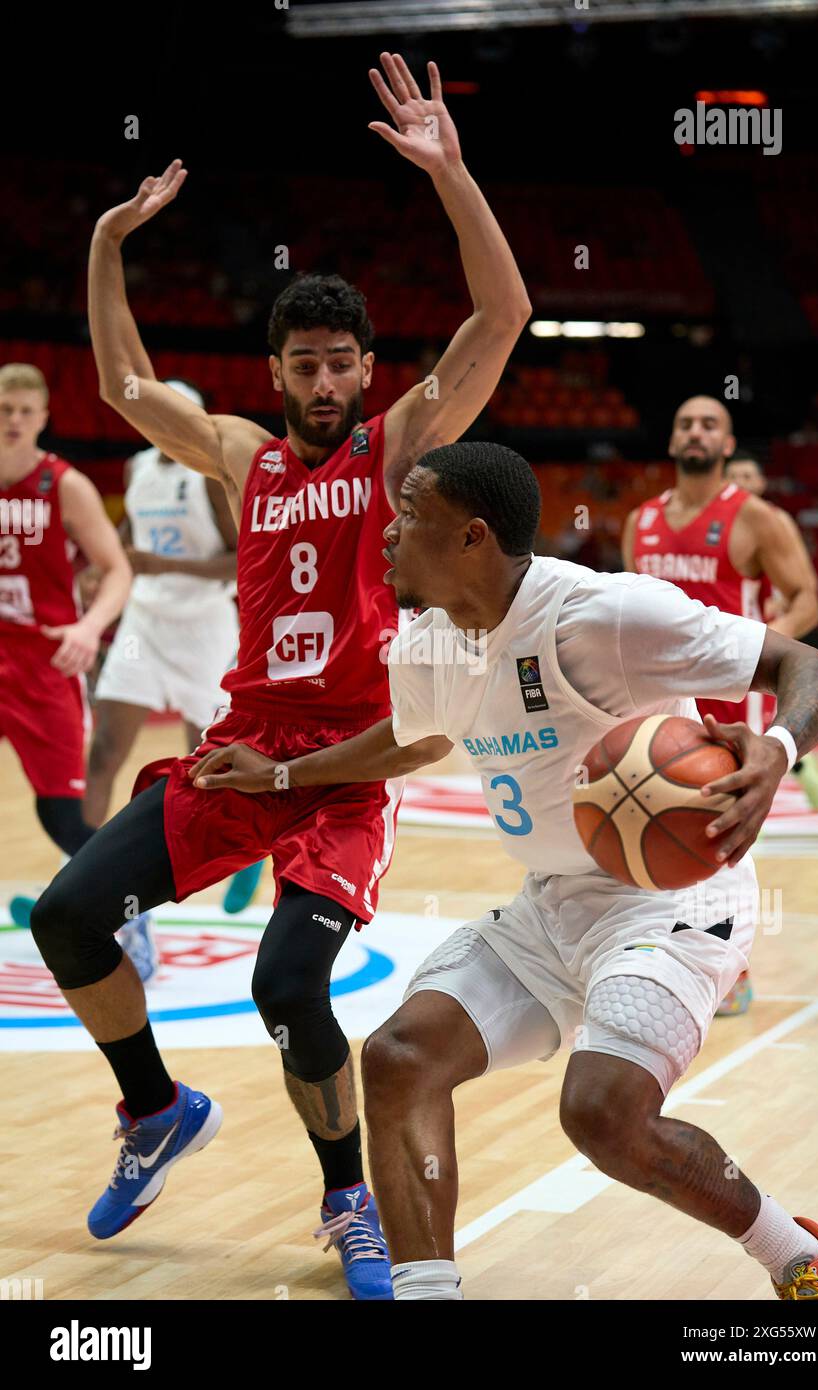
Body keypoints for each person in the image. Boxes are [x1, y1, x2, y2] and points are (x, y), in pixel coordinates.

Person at [29, 53, 531, 1301]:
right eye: (301, 362)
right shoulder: (241, 454)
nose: (320, 381)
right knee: (67, 916)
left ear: (365, 369)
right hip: (239, 750)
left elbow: (502, 318)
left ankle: (346, 1192)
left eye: (339, 362)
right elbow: (122, 384)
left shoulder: (397, 447)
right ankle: (154, 1111)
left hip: (346, 765)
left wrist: (452, 176)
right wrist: (105, 242)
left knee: (286, 981)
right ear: (275, 374)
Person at [191, 440, 818, 1302]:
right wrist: (282, 771)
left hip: (672, 901)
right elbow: (415, 738)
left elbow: (813, 668)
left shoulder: (601, 616)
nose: (386, 534)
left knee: (602, 1111)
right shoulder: (426, 640)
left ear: (471, 538)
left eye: (409, 515)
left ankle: (794, 1252)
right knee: (398, 1056)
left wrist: (779, 748)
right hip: (549, 906)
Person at [9, 379, 260, 970]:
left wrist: (161, 563)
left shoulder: (207, 472)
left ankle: (248, 849)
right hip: (144, 622)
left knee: (208, 766)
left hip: (202, 625)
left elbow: (241, 558)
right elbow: (126, 545)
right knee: (102, 756)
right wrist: (105, 573)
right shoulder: (136, 468)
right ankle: (87, 892)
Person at [621, 398, 818, 1015]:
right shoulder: (641, 521)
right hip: (655, 704)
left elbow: (806, 598)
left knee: (716, 837)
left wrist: (759, 650)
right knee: (644, 823)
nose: (696, 432)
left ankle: (730, 966)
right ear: (672, 439)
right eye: (685, 422)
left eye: (709, 423)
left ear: (728, 441)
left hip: (727, 711)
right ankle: (648, 949)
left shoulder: (757, 518)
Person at [0, 361, 141, 949]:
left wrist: (89, 627)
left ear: (43, 419)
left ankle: (131, 916)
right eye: (4, 410)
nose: (13, 421)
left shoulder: (64, 484)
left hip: (45, 663)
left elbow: (117, 569)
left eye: (24, 411)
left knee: (63, 814)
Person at [723, 449, 818, 812]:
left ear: (761, 482)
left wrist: (778, 621)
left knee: (756, 729)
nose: (740, 483)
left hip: (757, 633)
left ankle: (790, 772)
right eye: (732, 476)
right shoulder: (719, 526)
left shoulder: (773, 521)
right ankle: (799, 763)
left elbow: (803, 592)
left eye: (747, 476)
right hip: (723, 635)